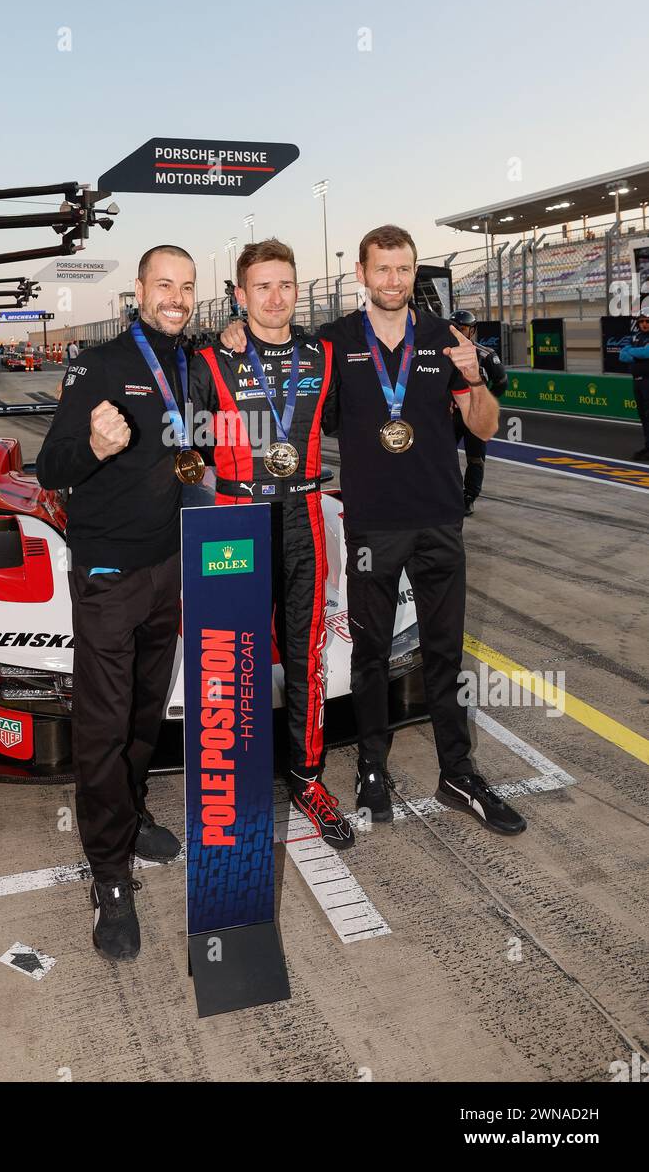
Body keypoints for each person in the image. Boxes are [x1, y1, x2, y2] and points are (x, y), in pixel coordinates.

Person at [318, 225, 526, 835]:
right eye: (381, 269)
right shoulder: (334, 340)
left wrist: (476, 379)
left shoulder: (444, 338)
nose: (393, 280)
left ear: (415, 273)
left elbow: (485, 428)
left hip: (438, 521)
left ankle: (457, 773)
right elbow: (273, 356)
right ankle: (372, 766)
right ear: (361, 273)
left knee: (444, 653)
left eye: (403, 269)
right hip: (372, 525)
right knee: (372, 654)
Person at [36, 245, 197, 962]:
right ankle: (108, 874)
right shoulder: (99, 364)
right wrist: (95, 449)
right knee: (102, 727)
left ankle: (130, 813)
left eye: (187, 287)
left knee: (143, 710)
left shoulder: (191, 362)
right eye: (164, 284)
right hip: (107, 575)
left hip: (170, 568)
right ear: (139, 289)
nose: (176, 296)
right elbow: (50, 465)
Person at [194, 239, 353, 850]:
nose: (275, 296)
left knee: (304, 657)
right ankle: (235, 786)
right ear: (240, 295)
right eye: (261, 286)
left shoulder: (326, 354)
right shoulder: (211, 358)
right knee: (231, 661)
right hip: (236, 517)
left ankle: (307, 778)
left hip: (305, 516)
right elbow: (184, 445)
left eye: (285, 283)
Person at [449, 310, 509, 514]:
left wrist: (484, 401)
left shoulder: (485, 354)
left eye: (463, 328)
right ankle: (447, 494)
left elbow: (501, 383)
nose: (458, 331)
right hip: (450, 415)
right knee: (443, 456)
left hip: (475, 415)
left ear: (472, 330)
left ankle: (469, 497)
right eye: (455, 327)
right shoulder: (441, 353)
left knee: (475, 458)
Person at [618, 312, 649, 460]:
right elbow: (622, 355)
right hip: (637, 381)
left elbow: (647, 352)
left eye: (647, 321)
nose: (644, 324)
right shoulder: (634, 337)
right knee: (643, 416)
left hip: (648, 381)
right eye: (641, 321)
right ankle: (647, 446)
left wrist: (633, 352)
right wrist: (636, 353)